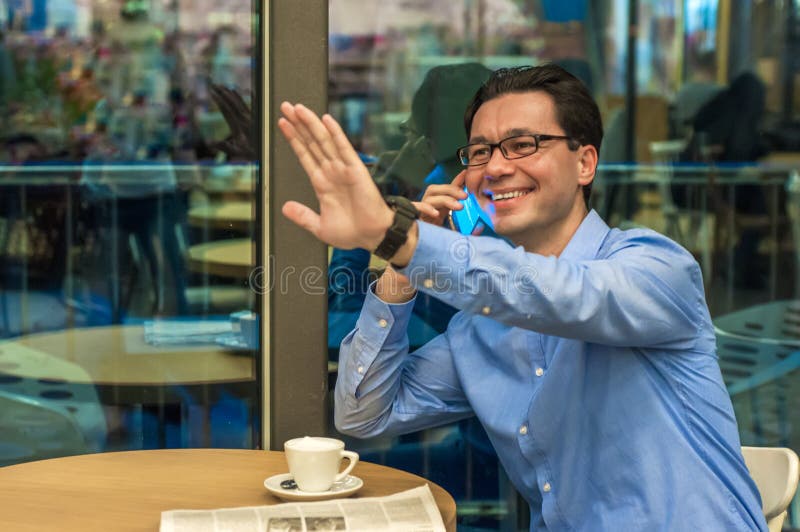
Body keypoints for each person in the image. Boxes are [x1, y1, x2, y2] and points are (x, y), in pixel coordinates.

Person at [277, 64, 767, 530]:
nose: (496, 168)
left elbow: (564, 295)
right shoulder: (480, 328)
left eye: (522, 144)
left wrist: (402, 238)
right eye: (480, 152)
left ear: (585, 162)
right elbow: (364, 413)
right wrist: (401, 273)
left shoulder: (657, 269)